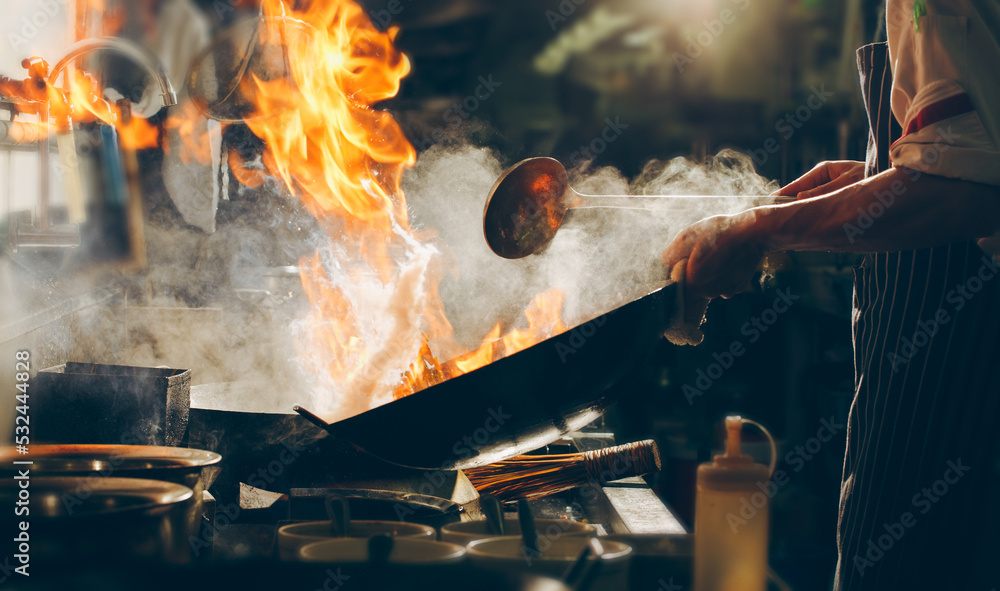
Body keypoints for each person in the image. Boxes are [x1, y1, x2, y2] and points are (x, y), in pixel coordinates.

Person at [662, 1, 1000, 588]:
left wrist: (760, 228)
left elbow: (968, 191)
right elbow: (975, 148)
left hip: (962, 352)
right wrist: (873, 173)